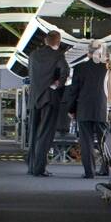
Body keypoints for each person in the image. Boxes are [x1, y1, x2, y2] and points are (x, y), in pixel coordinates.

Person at [24, 31, 69, 176]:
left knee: (33, 133)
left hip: (34, 98)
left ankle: (31, 167)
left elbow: (31, 75)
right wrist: (56, 84)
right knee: (45, 134)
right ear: (59, 41)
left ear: (45, 40)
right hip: (49, 99)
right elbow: (65, 71)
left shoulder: (33, 55)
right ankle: (39, 169)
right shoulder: (58, 55)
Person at [65, 44, 109, 178]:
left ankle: (89, 172)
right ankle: (107, 169)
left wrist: (71, 109)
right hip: (102, 109)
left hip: (84, 109)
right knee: (104, 142)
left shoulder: (79, 68)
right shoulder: (108, 68)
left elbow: (74, 91)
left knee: (86, 142)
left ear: (88, 53)